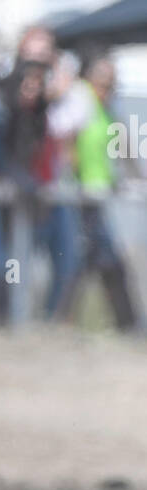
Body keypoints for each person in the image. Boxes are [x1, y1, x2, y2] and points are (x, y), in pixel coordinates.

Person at [69, 51, 137, 329]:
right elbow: (66, 145)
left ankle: (126, 324)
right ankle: (129, 324)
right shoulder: (79, 99)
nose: (110, 84)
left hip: (96, 197)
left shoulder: (106, 107)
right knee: (95, 263)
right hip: (78, 197)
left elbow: (126, 150)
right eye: (104, 77)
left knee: (92, 264)